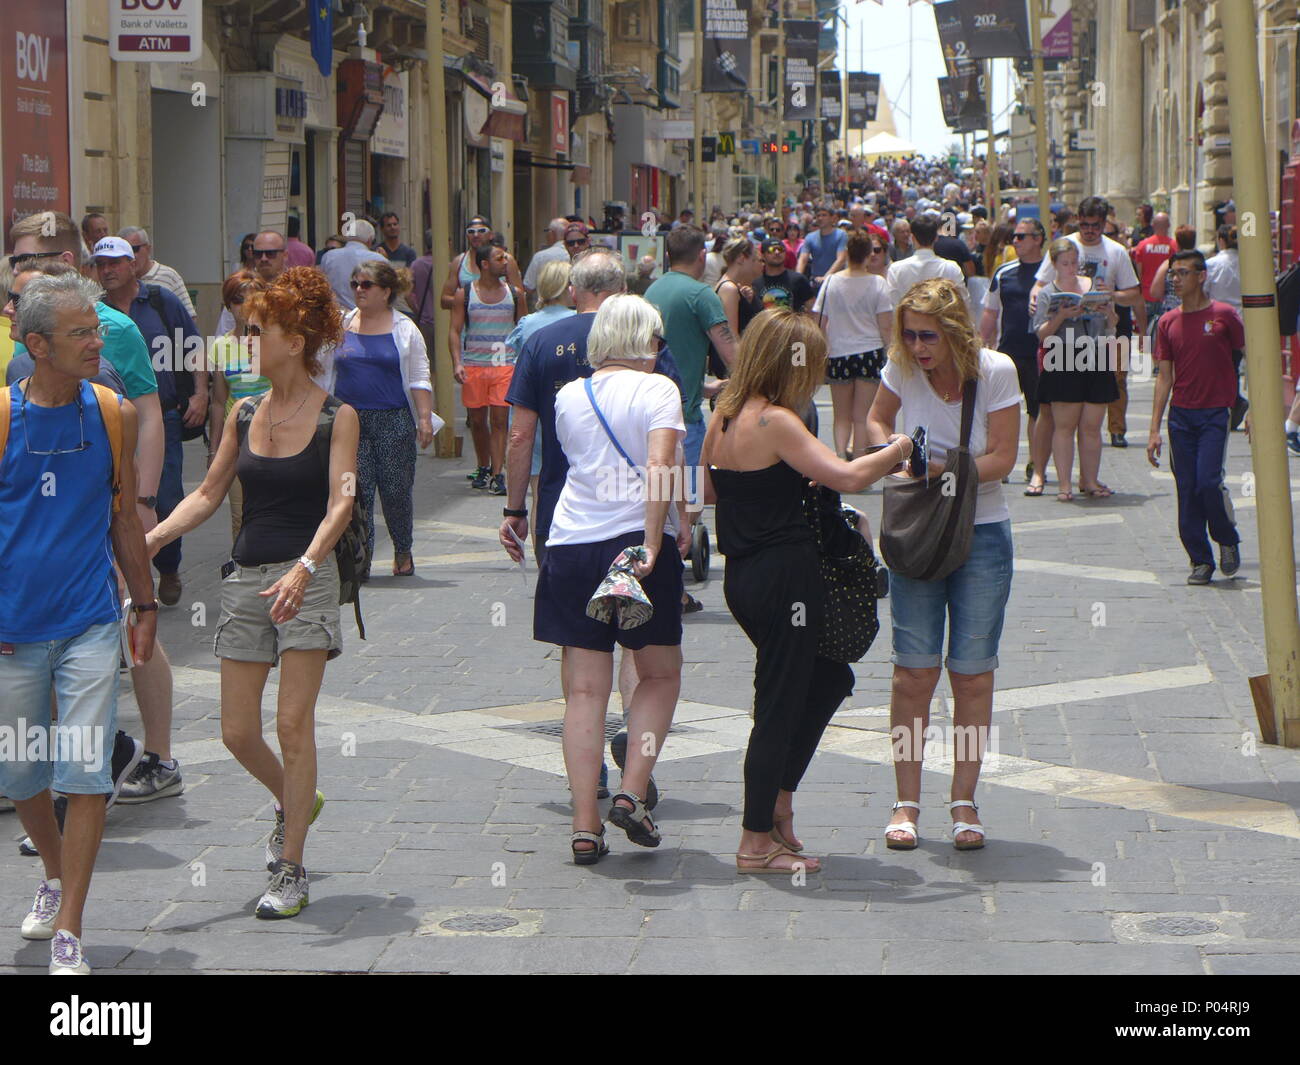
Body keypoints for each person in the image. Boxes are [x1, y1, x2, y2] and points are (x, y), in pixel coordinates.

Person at [146, 267, 360, 918]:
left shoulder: (336, 416)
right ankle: (295, 798)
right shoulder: (242, 410)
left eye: (256, 331)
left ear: (295, 340)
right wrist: (149, 541)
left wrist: (304, 565)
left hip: (308, 579)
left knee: (292, 725)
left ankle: (290, 866)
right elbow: (209, 494)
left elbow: (342, 503)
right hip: (245, 578)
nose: (244, 342)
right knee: (238, 730)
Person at [703, 308, 910, 873]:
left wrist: (770, 489)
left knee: (827, 678)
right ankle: (753, 841)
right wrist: (898, 449)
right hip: (785, 578)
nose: (814, 375)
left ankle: (778, 805)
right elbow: (848, 477)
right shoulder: (776, 420)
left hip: (744, 576)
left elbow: (707, 490)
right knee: (776, 706)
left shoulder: (722, 416)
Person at [1, 272, 158, 972]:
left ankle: (71, 924)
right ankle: (55, 876)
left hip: (92, 618)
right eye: (81, 333)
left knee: (85, 771)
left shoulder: (111, 413)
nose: (99, 341)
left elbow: (123, 517)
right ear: (37, 344)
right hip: (12, 630)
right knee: (21, 772)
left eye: (96, 328)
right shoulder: (4, 417)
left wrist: (146, 602)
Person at [7, 214, 178, 810]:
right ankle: (71, 779)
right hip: (24, 587)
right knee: (26, 749)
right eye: (15, 281)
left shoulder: (112, 345)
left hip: (92, 566)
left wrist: (144, 499)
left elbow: (148, 413)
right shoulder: (17, 368)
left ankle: (141, 755)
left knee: (126, 638)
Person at [865, 278, 1020, 852]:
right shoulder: (902, 368)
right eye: (909, 334)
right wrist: (897, 451)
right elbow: (876, 423)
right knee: (913, 673)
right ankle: (906, 801)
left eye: (928, 335)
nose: (918, 345)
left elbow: (1004, 456)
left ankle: (964, 800)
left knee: (973, 673)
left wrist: (944, 473)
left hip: (981, 533)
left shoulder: (996, 370)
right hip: (918, 532)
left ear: (954, 330)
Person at [531, 294, 687, 863]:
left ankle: (583, 824)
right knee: (659, 676)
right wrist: (653, 539)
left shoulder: (570, 394)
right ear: (645, 340)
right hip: (633, 543)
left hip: (571, 543)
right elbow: (662, 468)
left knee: (584, 691)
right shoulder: (659, 390)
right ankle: (632, 789)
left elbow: (569, 464)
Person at [94, 236, 206, 608]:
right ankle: (128, 576)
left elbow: (192, 346)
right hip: (113, 420)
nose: (107, 270)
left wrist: (201, 393)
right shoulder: (94, 313)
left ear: (133, 264)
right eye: (100, 264)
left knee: (167, 495)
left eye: (114, 263)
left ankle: (168, 564)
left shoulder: (160, 300)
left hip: (163, 414)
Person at [316, 259, 435, 576]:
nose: (358, 290)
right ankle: (361, 559)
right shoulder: (342, 324)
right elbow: (324, 370)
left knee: (396, 491)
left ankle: (402, 549)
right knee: (358, 492)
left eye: (366, 285)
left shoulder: (404, 328)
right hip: (349, 421)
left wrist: (424, 419)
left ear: (386, 291)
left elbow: (420, 376)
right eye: (355, 283)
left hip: (393, 421)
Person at [1147, 250, 1244, 585]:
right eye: (1173, 273)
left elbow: (1249, 356)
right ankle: (1200, 560)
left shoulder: (1225, 315)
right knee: (1187, 488)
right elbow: (1164, 376)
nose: (1175, 279)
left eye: (1183, 272)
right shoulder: (1167, 322)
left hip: (1216, 412)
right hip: (1181, 417)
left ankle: (1227, 538)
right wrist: (1154, 428)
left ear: (1201, 276)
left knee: (1207, 483)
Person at [645, 226, 738, 473]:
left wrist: (703, 388)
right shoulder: (701, 294)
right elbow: (731, 355)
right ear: (702, 255)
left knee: (661, 498)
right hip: (685, 418)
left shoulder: (652, 290)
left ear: (668, 256)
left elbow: (666, 352)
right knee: (690, 502)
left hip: (652, 412)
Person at [1033, 238, 1120, 501]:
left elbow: (1112, 326)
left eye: (1074, 263)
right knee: (1065, 426)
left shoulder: (1095, 286)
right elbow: (1041, 335)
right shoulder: (1048, 292)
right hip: (1063, 357)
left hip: (1094, 355)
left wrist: (1108, 312)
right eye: (1065, 263)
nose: (1071, 268)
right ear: (1055, 265)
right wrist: (1061, 316)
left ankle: (1090, 480)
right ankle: (1064, 484)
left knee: (1092, 426)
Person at [504, 258, 576, 531]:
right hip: (573, 416)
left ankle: (542, 561)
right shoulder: (580, 321)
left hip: (533, 412)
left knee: (539, 496)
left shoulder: (527, 325)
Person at [449, 242, 527, 494]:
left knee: (500, 419)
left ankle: (497, 472)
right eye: (499, 258)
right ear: (484, 264)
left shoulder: (515, 294)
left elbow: (522, 327)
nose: (506, 261)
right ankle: (483, 465)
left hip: (504, 364)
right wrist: (457, 362)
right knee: (477, 420)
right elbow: (455, 330)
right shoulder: (466, 293)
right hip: (474, 364)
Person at [812, 228, 894, 459]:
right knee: (862, 415)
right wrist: (891, 352)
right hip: (870, 352)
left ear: (846, 253)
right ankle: (859, 460)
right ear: (869, 254)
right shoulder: (878, 284)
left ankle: (840, 456)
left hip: (839, 352)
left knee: (841, 414)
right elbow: (886, 325)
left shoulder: (831, 283)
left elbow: (819, 320)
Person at [981, 217, 1048, 493]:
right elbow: (990, 312)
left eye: (1021, 237)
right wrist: (981, 344)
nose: (1015, 242)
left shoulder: (1050, 272)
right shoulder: (1003, 273)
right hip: (1008, 352)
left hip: (1041, 351)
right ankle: (998, 462)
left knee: (1037, 409)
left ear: (1038, 239)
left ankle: (1035, 462)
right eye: (1015, 237)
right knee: (998, 410)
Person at [208, 271, 271, 540]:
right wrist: (214, 450)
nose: (243, 307)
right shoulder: (221, 347)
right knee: (240, 515)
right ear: (227, 305)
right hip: (238, 439)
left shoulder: (272, 342)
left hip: (274, 435)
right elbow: (219, 402)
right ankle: (247, 573)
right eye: (236, 300)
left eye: (251, 299)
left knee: (271, 510)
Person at [440, 215, 524, 310]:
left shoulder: (507, 261)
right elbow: (444, 300)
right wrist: (470, 301)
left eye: (481, 231)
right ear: (467, 235)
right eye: (471, 231)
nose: (476, 235)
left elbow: (520, 299)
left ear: (491, 235)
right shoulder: (458, 262)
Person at [219, 231, 292, 337]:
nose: (264, 258)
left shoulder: (296, 289)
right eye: (258, 254)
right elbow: (224, 330)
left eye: (270, 253)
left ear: (285, 255)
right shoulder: (241, 289)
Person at [886, 214, 965, 306]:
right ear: (936, 238)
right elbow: (963, 302)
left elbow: (892, 304)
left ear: (912, 238)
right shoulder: (952, 268)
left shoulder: (895, 270)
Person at [119, 227, 197, 319]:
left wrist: (176, 333)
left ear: (148, 249)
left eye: (134, 249)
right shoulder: (119, 280)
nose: (130, 256)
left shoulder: (169, 276)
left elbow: (189, 318)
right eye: (124, 252)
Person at [320, 220, 386, 311]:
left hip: (336, 315)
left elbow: (322, 286)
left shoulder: (328, 257)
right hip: (366, 316)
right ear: (370, 240)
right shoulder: (379, 260)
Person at [712, 237, 763, 346]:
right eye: (753, 260)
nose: (754, 265)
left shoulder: (732, 287)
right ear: (741, 258)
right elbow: (732, 336)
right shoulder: (729, 289)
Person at [752, 237, 815, 312]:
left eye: (780, 249)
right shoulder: (755, 283)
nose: (777, 252)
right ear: (763, 255)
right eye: (772, 250)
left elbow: (812, 308)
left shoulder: (799, 280)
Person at [796, 205, 848, 290]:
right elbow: (803, 259)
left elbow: (841, 259)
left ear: (832, 218)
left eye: (824, 215)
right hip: (816, 282)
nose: (820, 218)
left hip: (836, 281)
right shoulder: (810, 237)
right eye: (818, 216)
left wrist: (826, 277)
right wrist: (798, 277)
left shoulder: (841, 235)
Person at [522, 218, 569, 297]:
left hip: (545, 305)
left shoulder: (540, 257)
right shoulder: (576, 254)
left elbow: (528, 287)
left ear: (552, 234)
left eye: (547, 231)